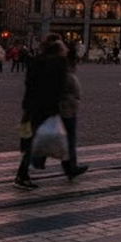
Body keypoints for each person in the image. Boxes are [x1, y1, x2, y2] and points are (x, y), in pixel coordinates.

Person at [14, 35, 68, 190]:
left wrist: (27, 105)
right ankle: (22, 174)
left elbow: (29, 83)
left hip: (32, 105)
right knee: (38, 141)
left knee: (32, 139)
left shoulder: (36, 61)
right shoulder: (59, 63)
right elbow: (60, 88)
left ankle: (29, 169)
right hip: (47, 108)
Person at [32, 47, 89, 181]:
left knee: (59, 136)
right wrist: (74, 100)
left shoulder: (57, 67)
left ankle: (40, 160)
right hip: (66, 108)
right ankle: (69, 167)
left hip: (63, 107)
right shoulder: (64, 70)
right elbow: (64, 87)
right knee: (68, 138)